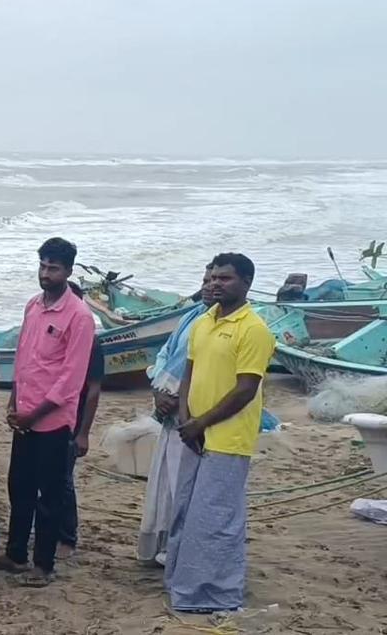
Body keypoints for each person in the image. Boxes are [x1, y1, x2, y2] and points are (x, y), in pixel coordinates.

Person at [164, 253, 275, 614]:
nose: (214, 283)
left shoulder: (253, 329)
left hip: (227, 438)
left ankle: (215, 593)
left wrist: (202, 422)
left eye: (224, 278)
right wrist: (186, 420)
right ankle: (184, 584)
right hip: (193, 433)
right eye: (212, 277)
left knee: (216, 518)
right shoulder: (203, 322)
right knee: (186, 511)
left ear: (246, 283)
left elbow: (245, 390)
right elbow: (188, 376)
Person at [0, 237, 94, 587]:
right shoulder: (33, 306)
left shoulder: (79, 316)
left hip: (53, 421)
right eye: (43, 266)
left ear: (68, 271)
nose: (46, 274)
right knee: (20, 486)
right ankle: (16, 553)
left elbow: (71, 379)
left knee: (50, 495)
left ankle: (43, 564)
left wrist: (35, 413)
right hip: (25, 416)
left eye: (54, 268)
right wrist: (15, 399)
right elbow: (24, 358)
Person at [137, 264, 215, 565]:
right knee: (167, 483)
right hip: (170, 413)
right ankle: (164, 547)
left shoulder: (221, 326)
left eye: (218, 279)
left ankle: (182, 551)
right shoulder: (191, 316)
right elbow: (164, 355)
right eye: (206, 280)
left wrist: (180, 400)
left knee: (187, 486)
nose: (210, 286)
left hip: (197, 417)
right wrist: (159, 389)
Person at [58, 282, 105, 559]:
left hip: (72, 416)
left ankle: (67, 537)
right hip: (46, 413)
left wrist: (84, 432)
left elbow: (94, 390)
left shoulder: (91, 342)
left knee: (63, 477)